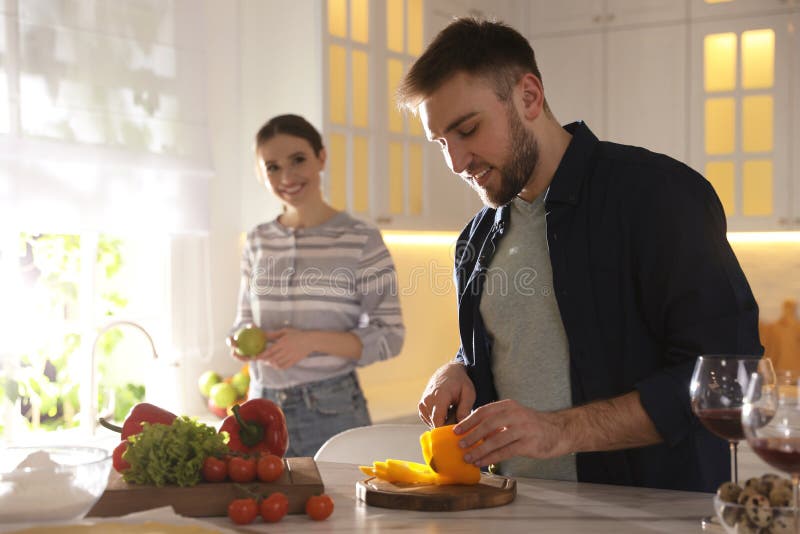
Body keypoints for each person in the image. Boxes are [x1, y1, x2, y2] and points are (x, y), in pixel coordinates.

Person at [396, 18, 761, 491]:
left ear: (529, 96)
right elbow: (515, 346)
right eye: (442, 142)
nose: (456, 162)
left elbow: (728, 376)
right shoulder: (474, 240)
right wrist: (460, 368)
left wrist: (558, 431)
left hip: (655, 517)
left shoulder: (658, 196)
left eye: (467, 129)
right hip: (516, 509)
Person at [229, 114, 405, 457]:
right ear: (260, 174)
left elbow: (391, 337)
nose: (287, 177)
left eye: (298, 160)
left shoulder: (360, 239)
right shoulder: (258, 240)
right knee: (262, 509)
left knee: (337, 511)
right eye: (273, 167)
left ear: (321, 157)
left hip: (331, 410)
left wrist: (309, 342)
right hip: (258, 410)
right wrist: (239, 340)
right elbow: (242, 320)